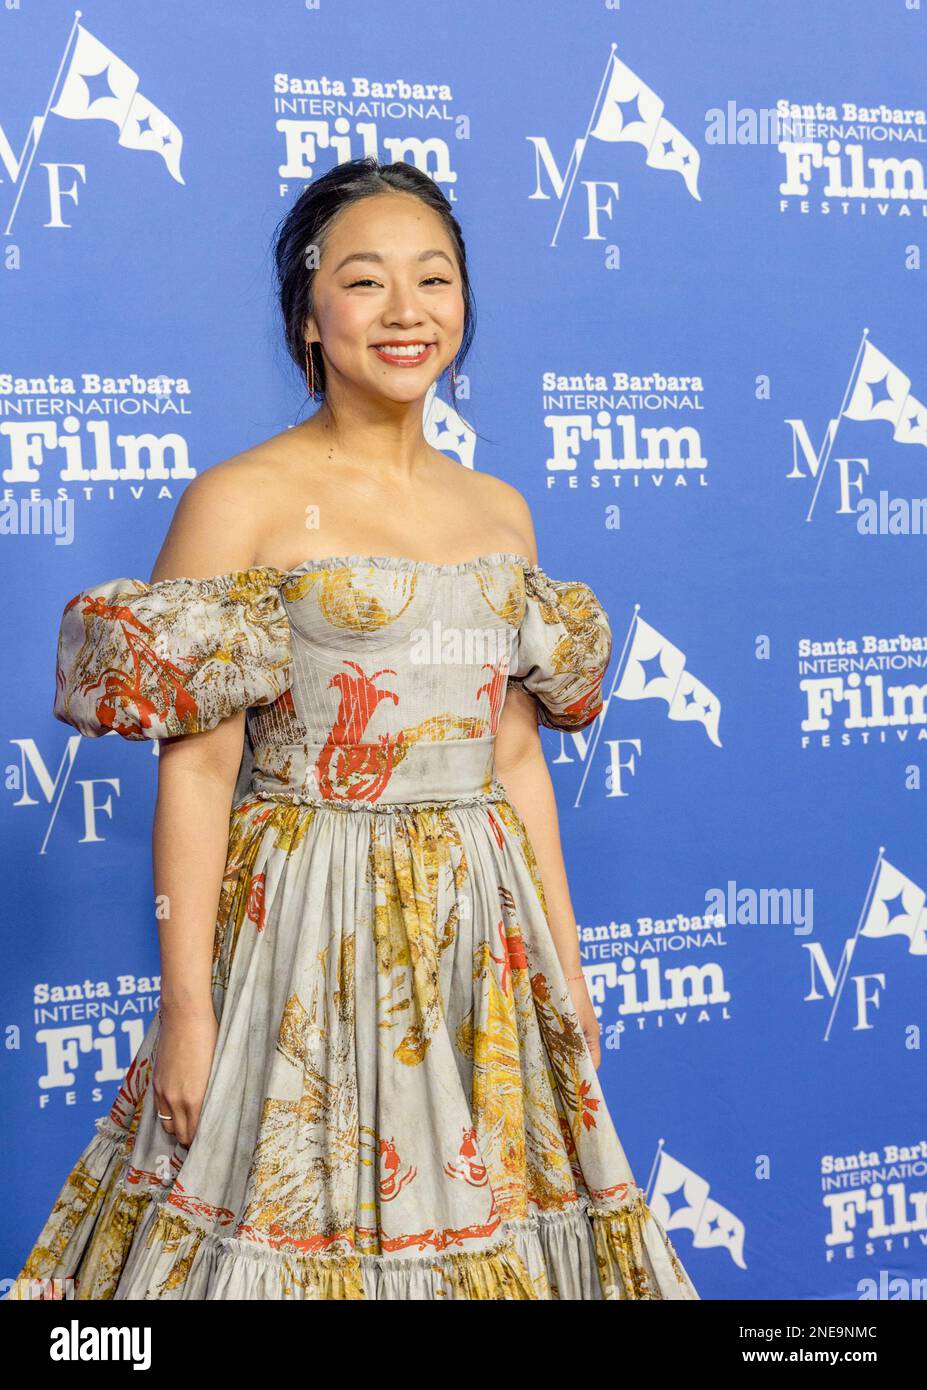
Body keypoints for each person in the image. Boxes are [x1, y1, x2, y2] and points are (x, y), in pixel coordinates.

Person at [11, 157, 698, 1301]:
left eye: (434, 279)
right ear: (308, 315)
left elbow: (516, 759)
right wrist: (187, 1009)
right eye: (365, 281)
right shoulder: (241, 500)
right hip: (305, 928)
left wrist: (567, 975)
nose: (405, 310)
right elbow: (199, 772)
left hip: (481, 935)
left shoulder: (500, 510)